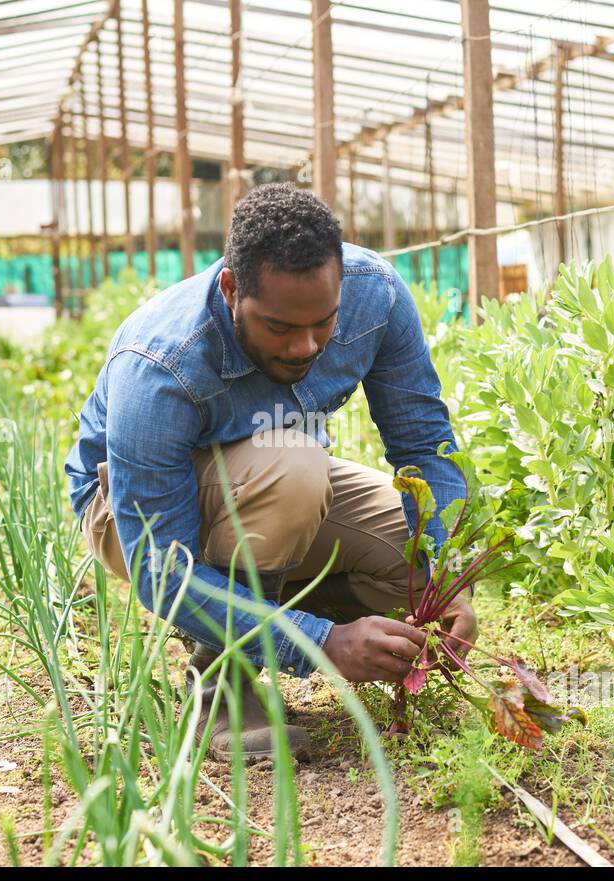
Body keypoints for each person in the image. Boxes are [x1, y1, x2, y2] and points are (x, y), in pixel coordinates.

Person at [65, 183, 475, 760]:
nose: (305, 346)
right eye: (279, 328)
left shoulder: (375, 296)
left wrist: (449, 577)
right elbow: (160, 567)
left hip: (276, 488)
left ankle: (263, 621)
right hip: (130, 516)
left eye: (323, 323)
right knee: (296, 470)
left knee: (406, 553)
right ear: (232, 289)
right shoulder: (161, 362)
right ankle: (223, 684)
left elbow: (426, 446)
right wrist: (321, 644)